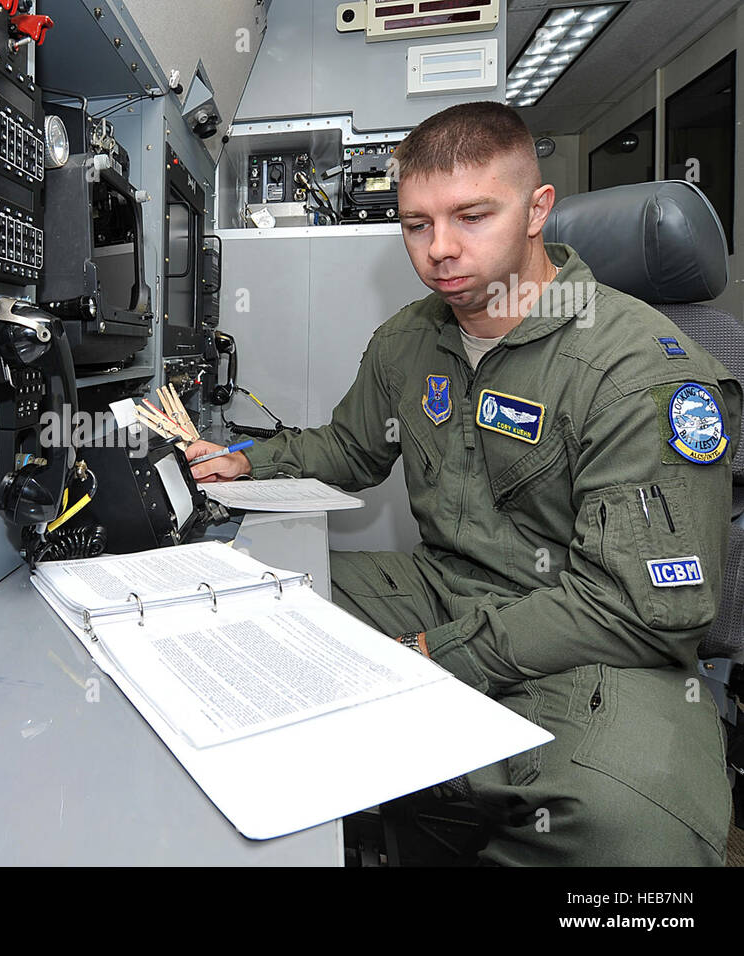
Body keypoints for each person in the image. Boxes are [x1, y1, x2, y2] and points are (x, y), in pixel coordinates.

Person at [187, 101, 739, 866]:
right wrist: (252, 461)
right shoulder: (407, 340)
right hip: (443, 583)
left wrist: (438, 652)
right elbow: (353, 447)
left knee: (638, 830)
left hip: (593, 627)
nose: (440, 250)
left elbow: (646, 607)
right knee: (243, 602)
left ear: (537, 209)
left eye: (472, 216)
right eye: (417, 225)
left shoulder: (636, 367)